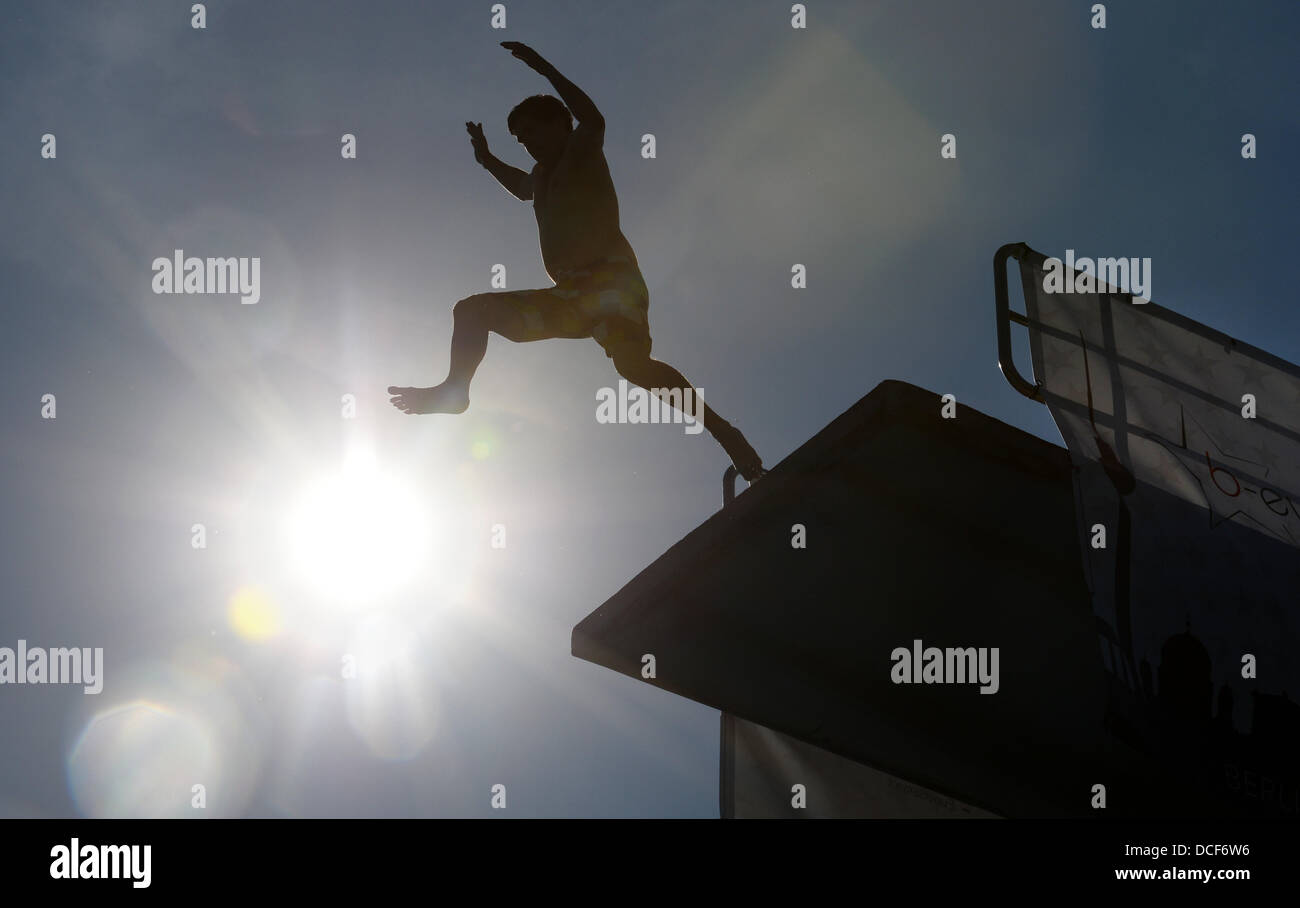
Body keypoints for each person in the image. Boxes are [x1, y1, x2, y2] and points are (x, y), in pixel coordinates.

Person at [388, 41, 764, 481]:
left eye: (530, 132)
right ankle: (456, 392)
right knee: (471, 311)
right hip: (567, 297)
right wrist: (488, 159)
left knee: (633, 366)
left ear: (558, 125)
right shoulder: (542, 175)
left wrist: (544, 67)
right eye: (520, 140)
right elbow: (522, 188)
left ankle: (723, 432)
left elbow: (593, 117)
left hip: (612, 283)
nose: (526, 144)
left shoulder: (581, 149)